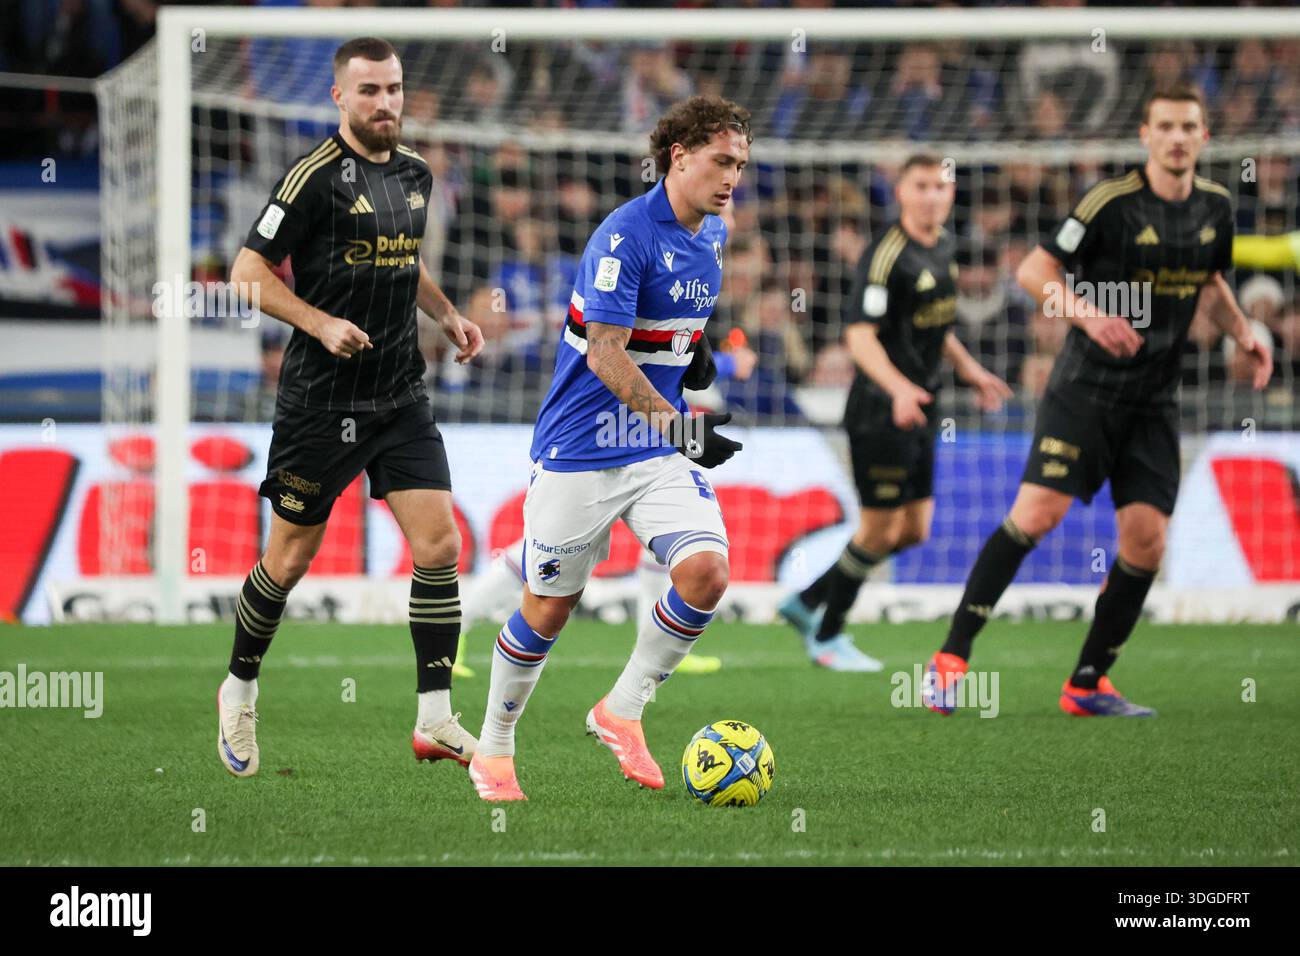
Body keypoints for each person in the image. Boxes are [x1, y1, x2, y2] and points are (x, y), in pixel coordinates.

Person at [924, 84, 1272, 717]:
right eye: (1164, 125)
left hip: (1155, 399)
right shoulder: (1110, 202)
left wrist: (1244, 332)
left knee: (1147, 542)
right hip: (1086, 390)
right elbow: (1034, 273)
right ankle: (949, 660)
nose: (1176, 137)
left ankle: (1087, 682)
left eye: (1188, 126)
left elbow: (1211, 282)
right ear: (1145, 134)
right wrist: (1088, 317)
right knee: (1037, 515)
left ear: (1204, 137)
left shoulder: (1217, 207)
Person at [467, 95, 750, 801]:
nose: (732, 178)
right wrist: (683, 426)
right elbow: (604, 354)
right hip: (580, 447)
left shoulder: (712, 233)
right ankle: (494, 750)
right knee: (548, 608)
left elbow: (675, 315)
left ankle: (621, 710)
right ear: (678, 158)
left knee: (707, 574)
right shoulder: (624, 236)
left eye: (741, 165)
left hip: (652, 451)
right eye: (721, 161)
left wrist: (699, 353)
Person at [216, 37, 485, 777]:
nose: (386, 103)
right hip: (321, 401)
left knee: (439, 547)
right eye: (369, 91)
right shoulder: (313, 178)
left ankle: (435, 718)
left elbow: (405, 256)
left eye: (394, 88)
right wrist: (318, 322)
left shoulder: (417, 175)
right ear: (339, 97)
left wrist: (446, 315)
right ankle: (238, 688)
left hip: (399, 392)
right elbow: (246, 273)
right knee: (290, 557)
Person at [779, 154, 1011, 671]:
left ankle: (807, 600)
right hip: (880, 410)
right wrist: (899, 389)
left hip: (923, 405)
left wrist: (970, 370)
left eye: (940, 185)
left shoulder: (946, 246)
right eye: (921, 185)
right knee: (879, 529)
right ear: (902, 193)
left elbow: (937, 324)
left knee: (914, 530)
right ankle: (828, 636)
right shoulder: (886, 256)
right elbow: (859, 337)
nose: (932, 194)